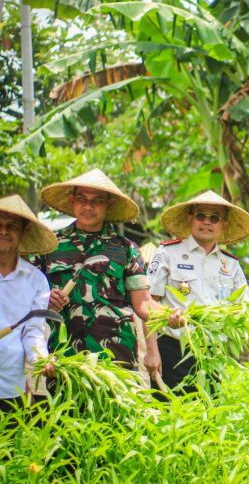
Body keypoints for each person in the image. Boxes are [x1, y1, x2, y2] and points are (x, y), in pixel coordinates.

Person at [33, 169, 162, 377]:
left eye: (97, 200)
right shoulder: (49, 247)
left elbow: (143, 303)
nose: (88, 206)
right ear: (72, 200)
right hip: (64, 358)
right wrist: (45, 299)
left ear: (108, 204)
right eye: (82, 198)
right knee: (67, 410)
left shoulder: (126, 249)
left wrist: (169, 315)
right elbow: (27, 293)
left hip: (116, 358)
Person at [147, 190, 249, 389]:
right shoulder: (168, 253)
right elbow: (148, 302)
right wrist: (152, 350)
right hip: (172, 350)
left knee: (209, 415)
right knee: (170, 413)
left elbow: (245, 314)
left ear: (223, 225)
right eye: (201, 216)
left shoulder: (230, 264)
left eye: (214, 218)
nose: (207, 222)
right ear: (190, 219)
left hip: (213, 353)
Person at [0, 195, 57, 412]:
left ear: (23, 232)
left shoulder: (36, 280)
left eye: (11, 226)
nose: (3, 231)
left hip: (10, 387)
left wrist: (41, 359)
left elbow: (32, 333)